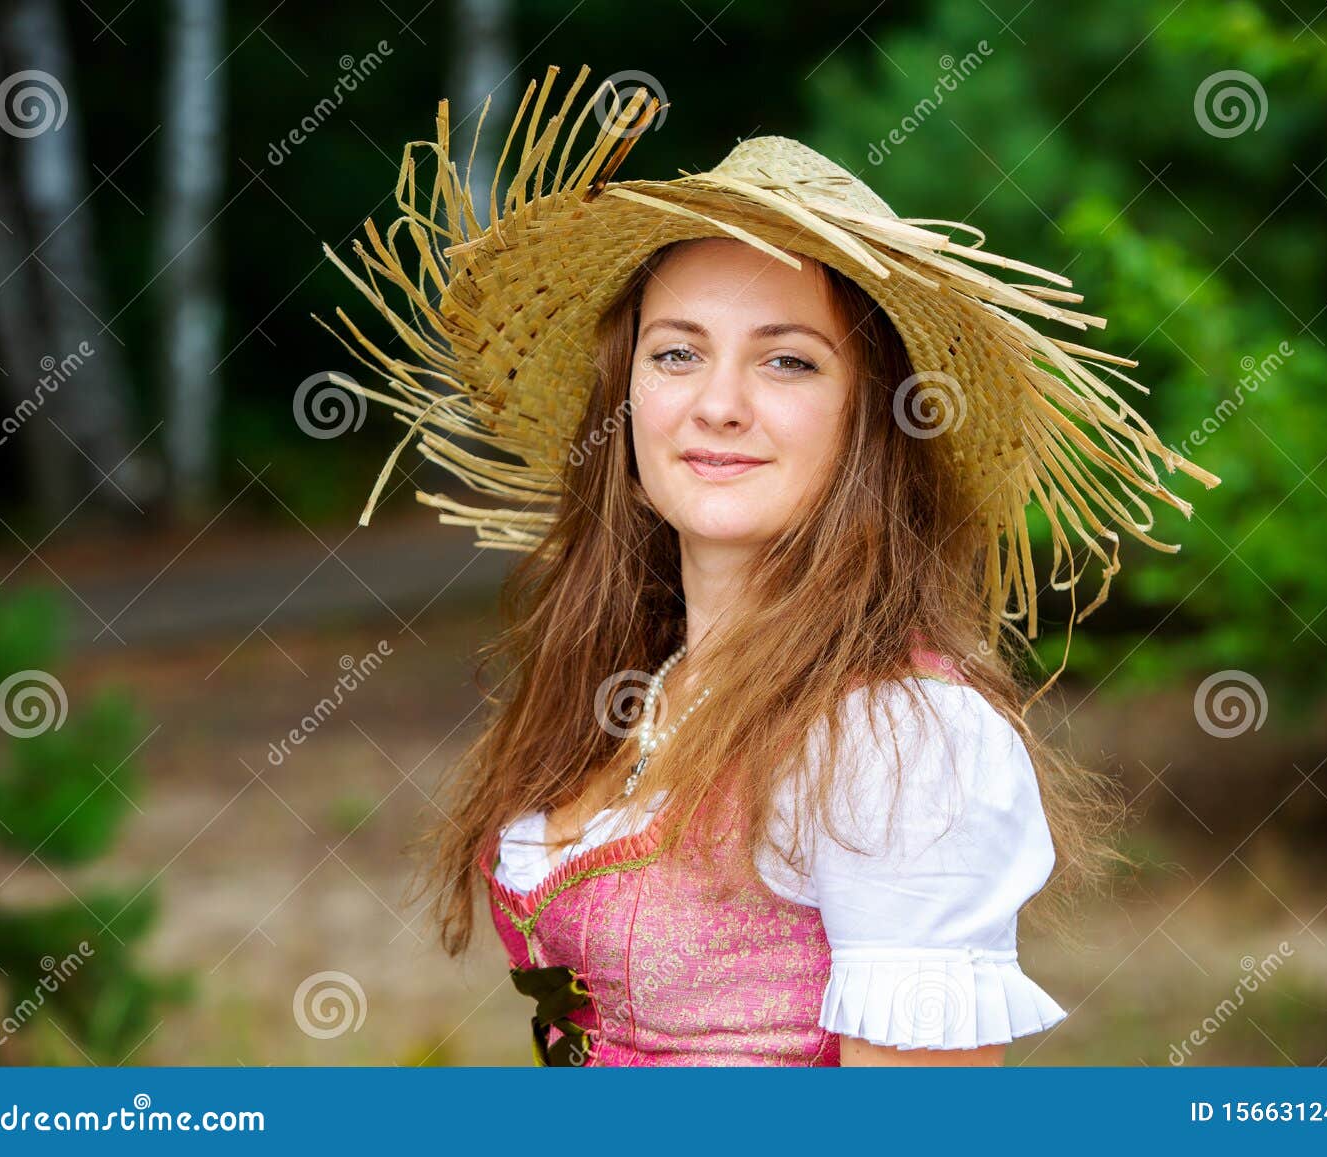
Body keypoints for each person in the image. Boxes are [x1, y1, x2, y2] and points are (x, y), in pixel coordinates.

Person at [316, 64, 1219, 1066]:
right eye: (675, 353)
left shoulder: (892, 740)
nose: (718, 403)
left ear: (869, 418)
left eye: (787, 359)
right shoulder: (636, 685)